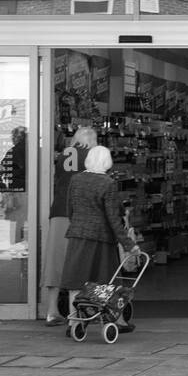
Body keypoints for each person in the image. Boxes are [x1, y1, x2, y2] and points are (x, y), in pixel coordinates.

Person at [60, 146, 141, 334]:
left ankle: (74, 322)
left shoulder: (76, 179)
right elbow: (113, 219)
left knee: (76, 280)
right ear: (107, 162)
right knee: (107, 281)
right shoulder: (108, 183)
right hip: (101, 240)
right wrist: (129, 244)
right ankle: (113, 321)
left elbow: (69, 209)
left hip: (78, 236)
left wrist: (78, 226)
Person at [43, 126, 97, 325]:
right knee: (79, 260)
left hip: (58, 211)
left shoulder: (64, 155)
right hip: (80, 214)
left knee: (56, 260)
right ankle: (79, 312)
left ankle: (52, 310)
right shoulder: (91, 156)